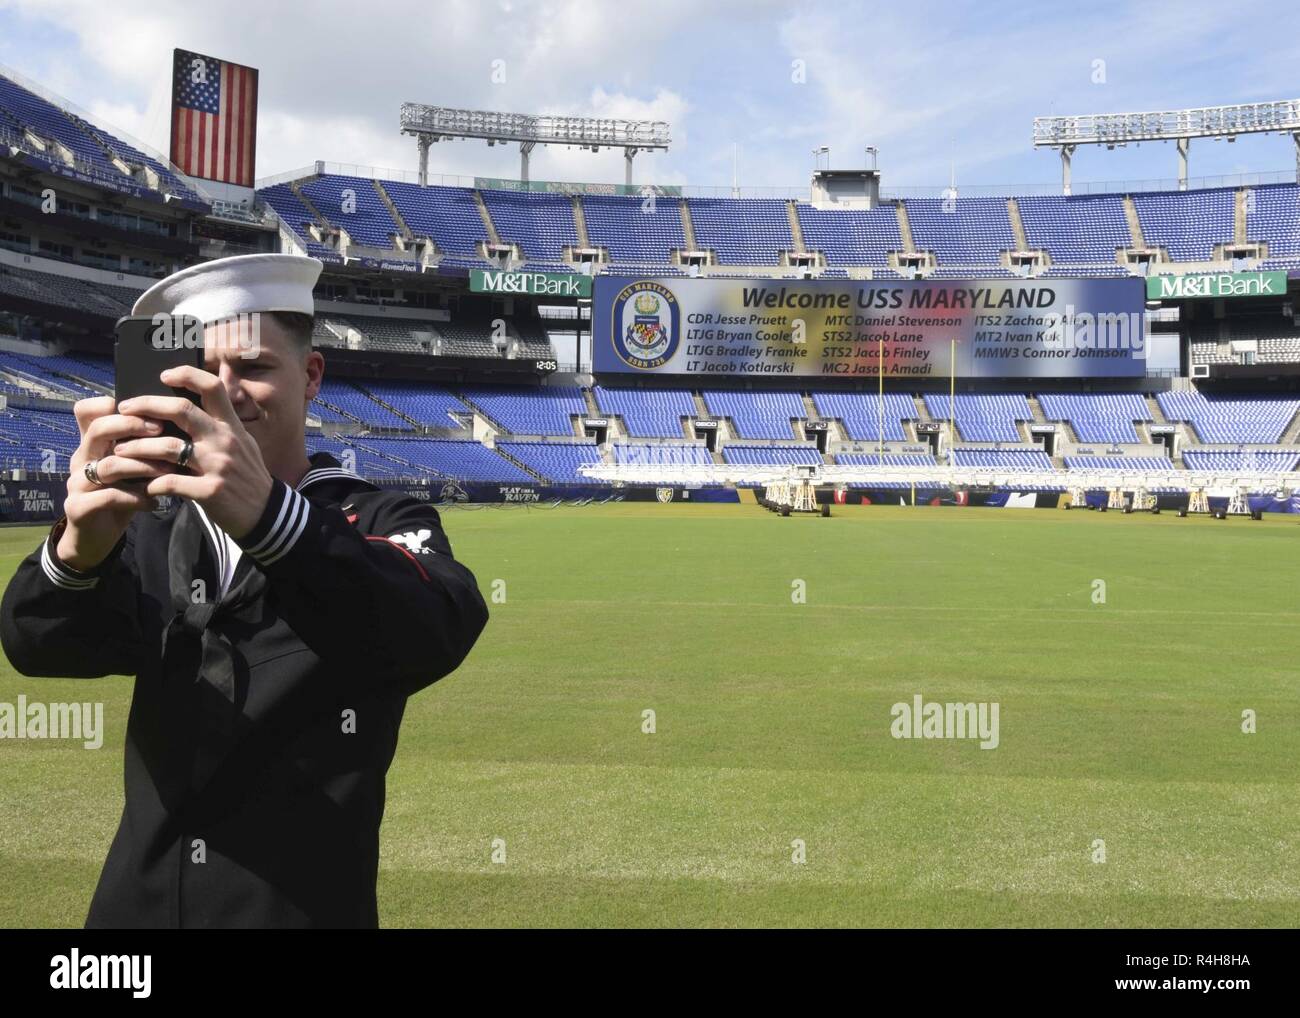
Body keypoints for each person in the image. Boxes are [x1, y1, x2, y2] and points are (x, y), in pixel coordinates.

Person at [0, 253, 490, 928]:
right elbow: (35, 644)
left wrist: (271, 519)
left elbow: (433, 627)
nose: (225, 394)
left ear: (311, 375)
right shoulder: (153, 526)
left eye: (254, 367)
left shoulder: (373, 519)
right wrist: (78, 548)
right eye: (204, 373)